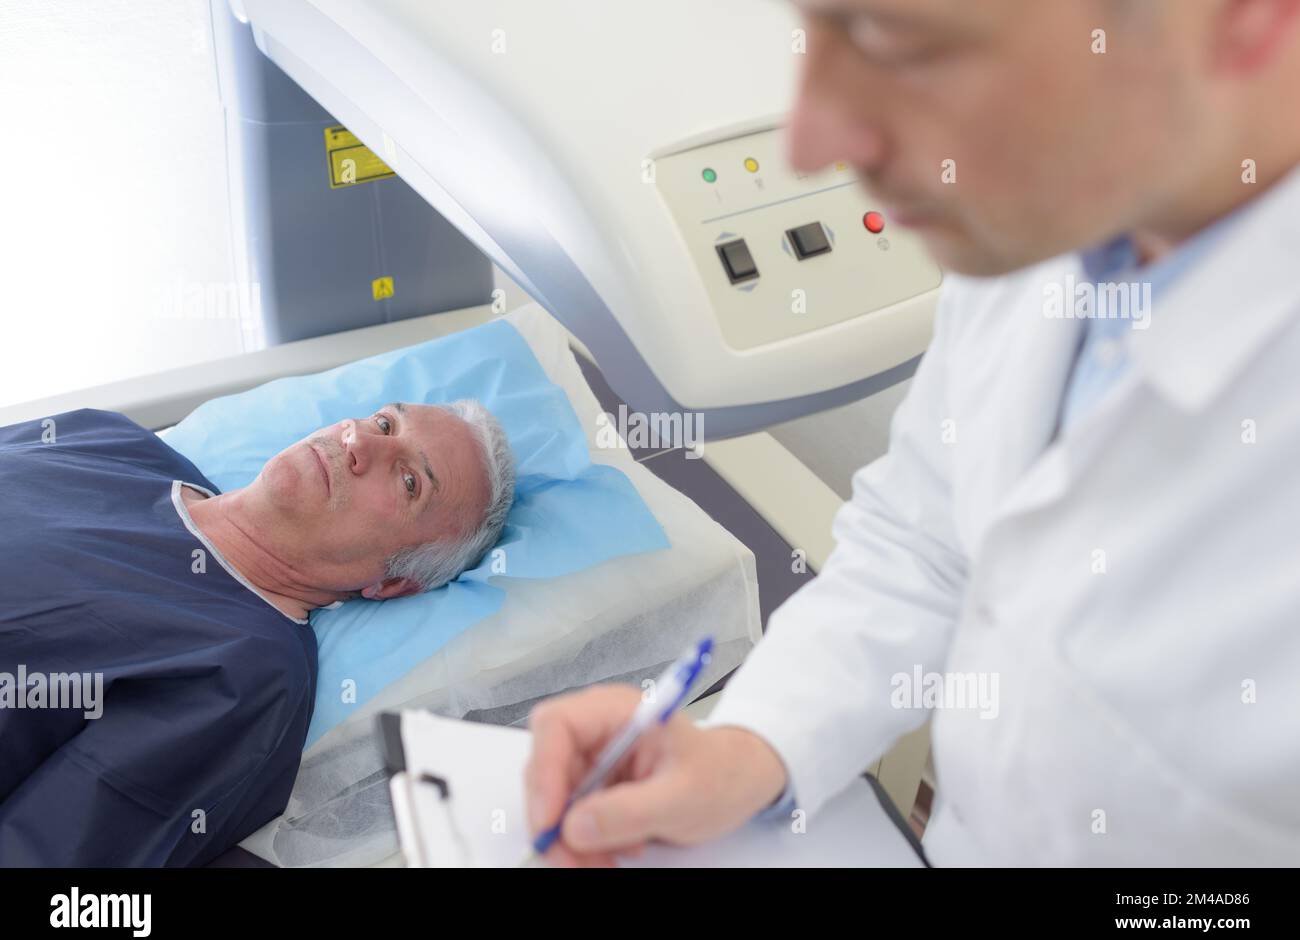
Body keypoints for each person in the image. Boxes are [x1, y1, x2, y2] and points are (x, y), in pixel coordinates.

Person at [525, 0, 1300, 866]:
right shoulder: (1051, 220)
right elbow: (924, 540)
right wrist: (752, 746)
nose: (811, 143)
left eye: (898, 38)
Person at [0, 400, 514, 865]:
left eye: (409, 482)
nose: (359, 443)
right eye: (384, 422)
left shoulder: (249, 676)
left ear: (393, 583)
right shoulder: (108, 440)